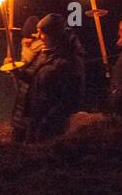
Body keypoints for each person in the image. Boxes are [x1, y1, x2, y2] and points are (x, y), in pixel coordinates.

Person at [15, 13, 85, 142]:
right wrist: (17, 72)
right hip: (36, 120)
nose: (38, 37)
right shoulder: (47, 54)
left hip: (50, 128)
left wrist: (46, 123)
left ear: (53, 35)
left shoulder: (69, 61)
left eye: (41, 33)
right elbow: (35, 80)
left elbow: (71, 100)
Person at [10, 15, 43, 143]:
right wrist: (14, 72)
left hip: (32, 105)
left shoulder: (41, 52)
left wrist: (17, 73)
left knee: (29, 142)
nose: (25, 42)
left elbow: (36, 80)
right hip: (22, 104)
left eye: (28, 38)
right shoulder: (27, 52)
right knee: (17, 139)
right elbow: (20, 85)